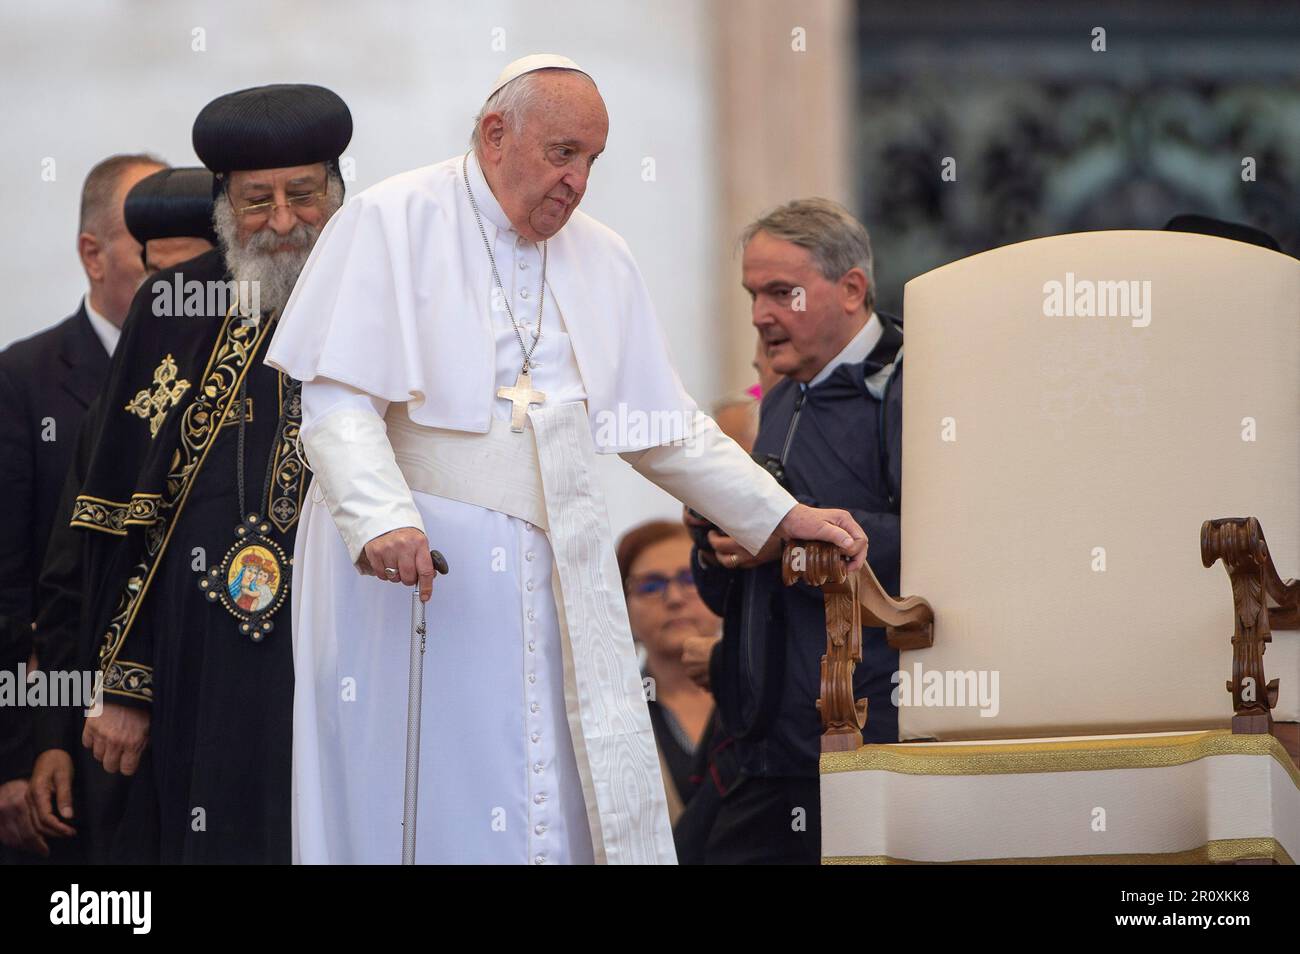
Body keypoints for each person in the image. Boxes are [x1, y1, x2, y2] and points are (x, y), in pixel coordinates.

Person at [265, 54, 867, 865]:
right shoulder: (390, 220)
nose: (578, 181)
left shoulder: (601, 254)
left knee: (552, 792)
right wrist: (381, 520)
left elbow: (666, 427)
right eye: (563, 153)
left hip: (556, 577)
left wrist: (782, 513)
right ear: (494, 135)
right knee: (433, 796)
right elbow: (336, 403)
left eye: (592, 160)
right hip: (415, 573)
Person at [71, 84, 351, 863]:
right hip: (206, 645)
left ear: (337, 191)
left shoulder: (385, 296)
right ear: (224, 205)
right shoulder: (173, 305)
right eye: (257, 201)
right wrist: (125, 682)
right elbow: (113, 511)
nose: (284, 221)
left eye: (303, 195)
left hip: (350, 639)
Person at [691, 198, 904, 864]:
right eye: (754, 294)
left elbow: (948, 544)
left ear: (850, 288)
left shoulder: (914, 388)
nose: (760, 315)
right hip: (767, 738)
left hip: (867, 737)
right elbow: (735, 588)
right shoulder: (779, 397)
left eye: (783, 292)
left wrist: (791, 530)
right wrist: (716, 545)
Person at [23, 164, 221, 864]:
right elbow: (60, 584)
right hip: (112, 735)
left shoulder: (250, 390)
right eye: (158, 280)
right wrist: (47, 737)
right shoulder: (91, 405)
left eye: (194, 282)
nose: (172, 306)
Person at [0, 152, 164, 861]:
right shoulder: (22, 381)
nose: (170, 273)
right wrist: (17, 754)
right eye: (147, 248)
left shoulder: (207, 379)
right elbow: (11, 590)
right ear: (92, 256)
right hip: (58, 738)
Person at [616, 521, 719, 823]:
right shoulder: (611, 715)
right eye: (650, 586)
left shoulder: (762, 698)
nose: (674, 598)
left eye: (690, 577)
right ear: (623, 608)